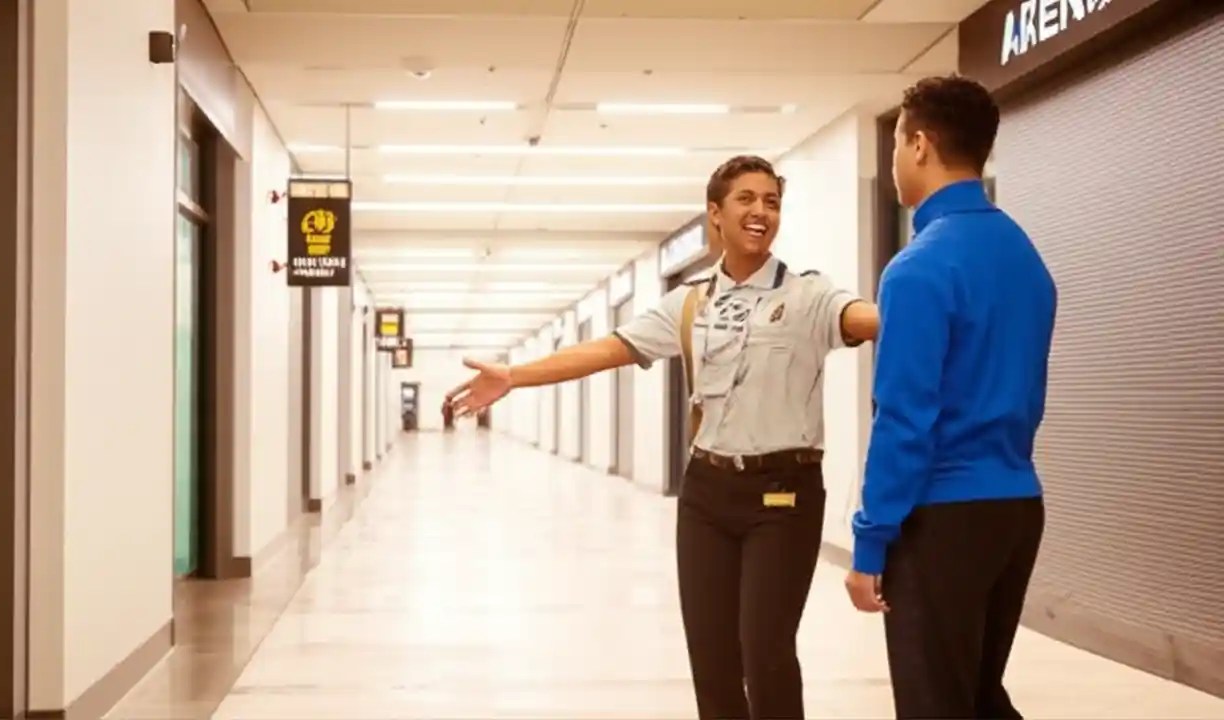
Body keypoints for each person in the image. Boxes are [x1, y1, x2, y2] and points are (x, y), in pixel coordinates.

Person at [448, 155, 879, 720]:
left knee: (765, 653)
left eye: (771, 202)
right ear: (715, 214)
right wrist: (514, 375)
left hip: (783, 496)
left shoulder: (808, 297)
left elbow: (873, 319)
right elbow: (605, 350)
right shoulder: (690, 302)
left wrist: (945, 304)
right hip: (705, 495)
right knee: (712, 657)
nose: (760, 212)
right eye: (746, 199)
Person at [845, 75, 1057, 719]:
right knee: (978, 696)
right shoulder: (1025, 255)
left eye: (896, 145)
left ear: (919, 145)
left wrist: (870, 540)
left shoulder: (919, 266)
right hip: (1016, 510)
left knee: (936, 702)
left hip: (942, 518)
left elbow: (904, 419)